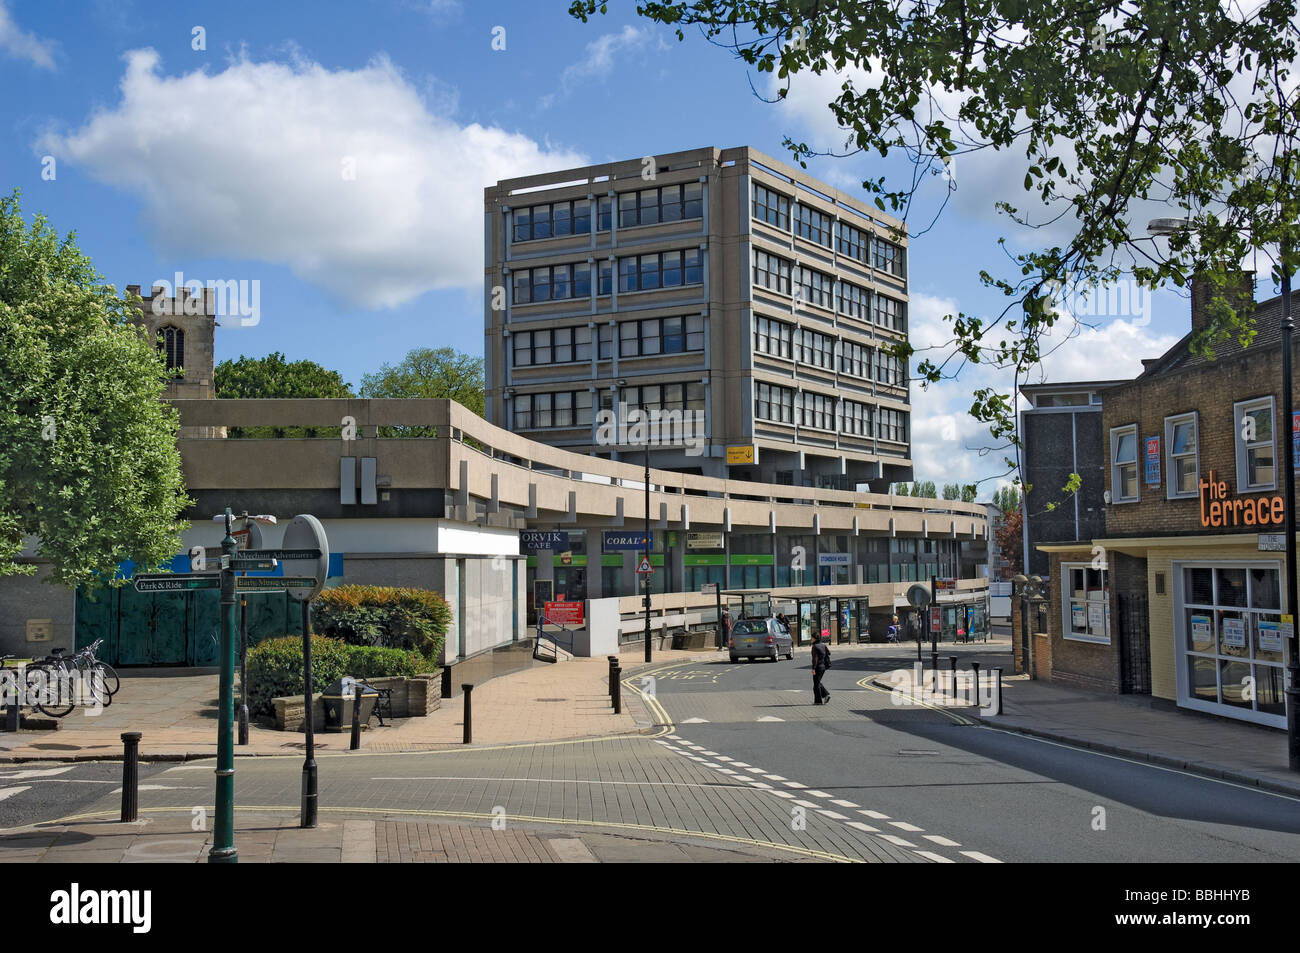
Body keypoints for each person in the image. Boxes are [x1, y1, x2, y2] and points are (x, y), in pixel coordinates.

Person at [811, 629, 832, 705]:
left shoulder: (815, 647)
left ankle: (819, 700)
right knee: (817, 683)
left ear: (815, 638)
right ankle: (824, 696)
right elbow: (829, 653)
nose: (811, 639)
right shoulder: (823, 645)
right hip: (823, 667)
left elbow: (815, 659)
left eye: (812, 638)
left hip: (817, 667)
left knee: (816, 684)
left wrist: (813, 668)